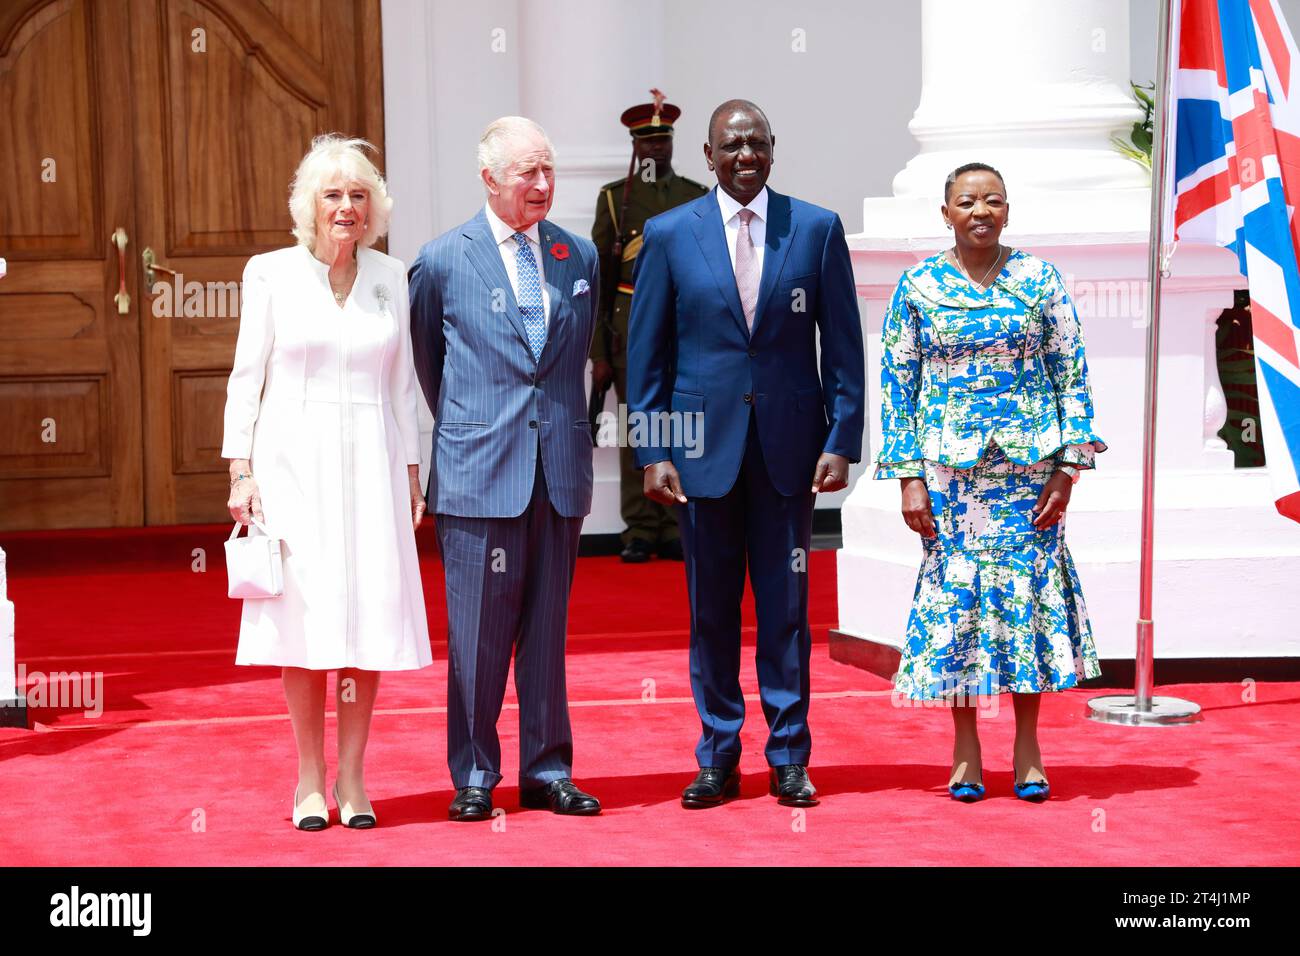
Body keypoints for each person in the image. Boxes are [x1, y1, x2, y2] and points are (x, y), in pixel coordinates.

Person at [626, 100, 865, 809]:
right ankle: (718, 755)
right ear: (707, 155)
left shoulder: (815, 229)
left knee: (787, 611)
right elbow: (650, 359)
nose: (744, 156)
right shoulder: (669, 235)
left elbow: (844, 348)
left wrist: (841, 438)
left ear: (773, 148)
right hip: (702, 456)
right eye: (730, 145)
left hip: (790, 454)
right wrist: (655, 448)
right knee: (711, 613)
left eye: (756, 143)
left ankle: (789, 755)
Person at [875, 162, 1106, 803]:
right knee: (959, 607)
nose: (981, 211)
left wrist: (1068, 469)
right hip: (950, 476)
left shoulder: (1040, 278)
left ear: (1009, 210)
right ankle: (966, 750)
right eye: (967, 201)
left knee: (1028, 601)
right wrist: (908, 478)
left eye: (994, 201)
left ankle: (1028, 748)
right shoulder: (918, 285)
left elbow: (1072, 373)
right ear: (944, 212)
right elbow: (898, 386)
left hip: (1030, 473)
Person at [223, 134, 431, 831]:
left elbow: (402, 384)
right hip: (291, 468)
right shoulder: (270, 273)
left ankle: (354, 776)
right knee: (304, 621)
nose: (346, 206)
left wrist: (410, 471)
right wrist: (241, 470)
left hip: (372, 462)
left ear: (374, 208)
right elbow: (245, 377)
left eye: (358, 195)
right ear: (308, 206)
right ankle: (309, 778)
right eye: (333, 194)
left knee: (366, 616)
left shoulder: (390, 276)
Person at [409, 116, 602, 821]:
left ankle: (549, 770)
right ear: (489, 178)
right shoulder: (441, 261)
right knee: (478, 636)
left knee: (547, 633)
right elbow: (432, 365)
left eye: (549, 169)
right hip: (479, 473)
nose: (543, 184)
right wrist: (480, 428)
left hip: (559, 473)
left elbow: (572, 358)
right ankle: (475, 773)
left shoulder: (576, 255)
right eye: (528, 172)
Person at [590, 94, 709, 563]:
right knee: (634, 428)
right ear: (635, 147)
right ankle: (639, 527)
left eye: (663, 141)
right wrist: (599, 351)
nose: (657, 150)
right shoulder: (614, 199)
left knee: (683, 425)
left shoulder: (696, 195)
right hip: (628, 321)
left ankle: (677, 523)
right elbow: (599, 280)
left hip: (683, 327)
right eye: (648, 142)